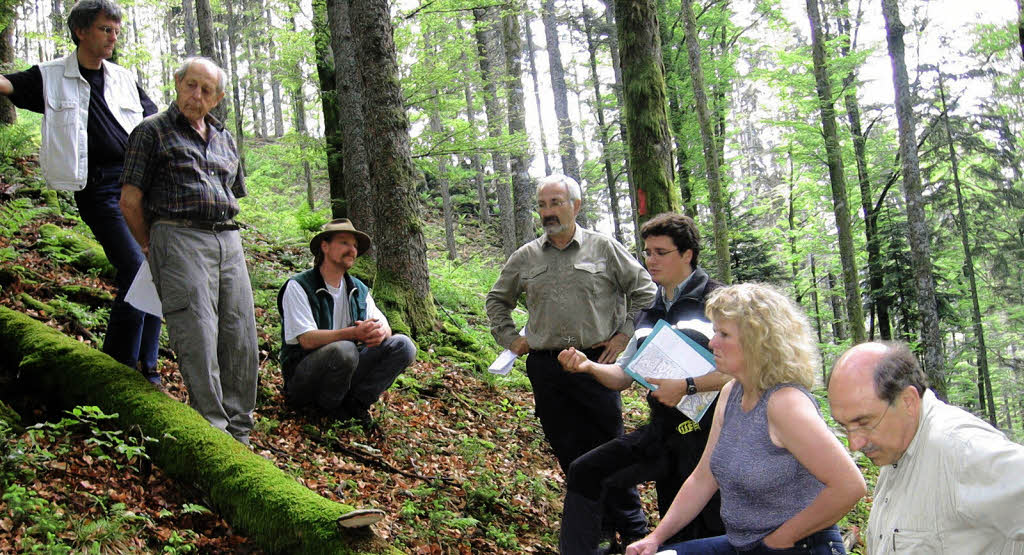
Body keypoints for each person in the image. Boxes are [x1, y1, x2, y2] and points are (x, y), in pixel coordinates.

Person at [627, 283, 866, 555]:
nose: (712, 342)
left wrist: (780, 540)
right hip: (744, 543)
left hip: (800, 546)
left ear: (759, 341)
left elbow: (850, 485)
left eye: (724, 334)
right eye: (715, 331)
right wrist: (656, 538)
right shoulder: (731, 392)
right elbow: (703, 478)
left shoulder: (786, 404)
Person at [486, 174, 657, 547]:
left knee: (610, 446)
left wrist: (625, 335)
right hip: (547, 368)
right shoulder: (526, 257)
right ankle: (596, 527)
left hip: (596, 363)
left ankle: (634, 531)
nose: (548, 212)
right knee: (567, 450)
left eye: (556, 203)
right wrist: (511, 339)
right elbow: (497, 300)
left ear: (575, 206)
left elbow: (645, 292)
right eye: (543, 204)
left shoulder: (603, 248)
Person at [0, 0, 163, 385]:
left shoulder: (123, 77)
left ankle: (148, 365)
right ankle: (117, 366)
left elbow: (152, 119)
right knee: (133, 266)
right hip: (96, 189)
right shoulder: (51, 76)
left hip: (136, 184)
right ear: (81, 31)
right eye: (106, 29)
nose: (113, 36)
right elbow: (8, 84)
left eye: (117, 30)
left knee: (156, 265)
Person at [556, 213, 729, 553]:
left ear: (687, 254)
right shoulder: (649, 310)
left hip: (710, 438)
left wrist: (688, 385)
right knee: (586, 471)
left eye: (660, 252)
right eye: (647, 252)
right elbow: (623, 376)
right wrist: (588, 366)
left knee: (695, 534)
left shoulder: (719, 302)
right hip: (662, 432)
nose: (651, 260)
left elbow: (744, 373)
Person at [119, 56, 257, 445]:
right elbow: (129, 200)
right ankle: (214, 435)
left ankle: (241, 434)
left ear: (218, 98)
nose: (196, 95)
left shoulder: (224, 138)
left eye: (206, 89)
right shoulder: (151, 131)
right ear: (177, 83)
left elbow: (233, 192)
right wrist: (151, 244)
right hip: (177, 236)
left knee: (241, 335)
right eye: (190, 85)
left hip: (227, 239)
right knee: (197, 333)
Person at [827, 341, 1024, 554]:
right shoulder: (899, 448)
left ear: (908, 401)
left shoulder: (961, 450)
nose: (854, 444)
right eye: (844, 427)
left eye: (864, 423)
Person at [276, 218, 416, 426]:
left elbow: (384, 325)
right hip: (304, 377)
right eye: (344, 243)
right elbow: (306, 339)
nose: (352, 250)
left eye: (355, 246)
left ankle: (355, 404)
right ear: (325, 246)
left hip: (345, 372)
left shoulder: (357, 289)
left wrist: (379, 332)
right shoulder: (299, 286)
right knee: (345, 349)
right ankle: (325, 411)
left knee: (404, 346)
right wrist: (352, 334)